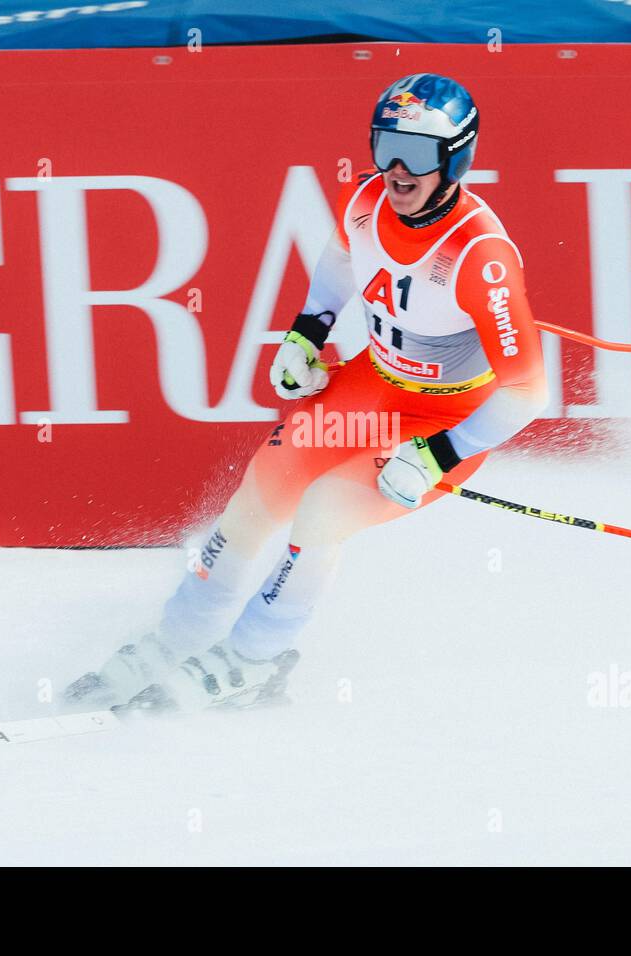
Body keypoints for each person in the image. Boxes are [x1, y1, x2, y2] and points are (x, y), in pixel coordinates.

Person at [66, 72, 548, 712]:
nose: (398, 171)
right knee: (258, 493)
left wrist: (439, 453)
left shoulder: (478, 258)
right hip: (371, 385)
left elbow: (529, 389)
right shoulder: (367, 200)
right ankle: (175, 639)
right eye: (386, 147)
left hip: (444, 417)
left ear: (457, 156)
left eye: (421, 155)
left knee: (324, 509)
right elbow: (338, 269)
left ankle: (254, 662)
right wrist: (307, 334)